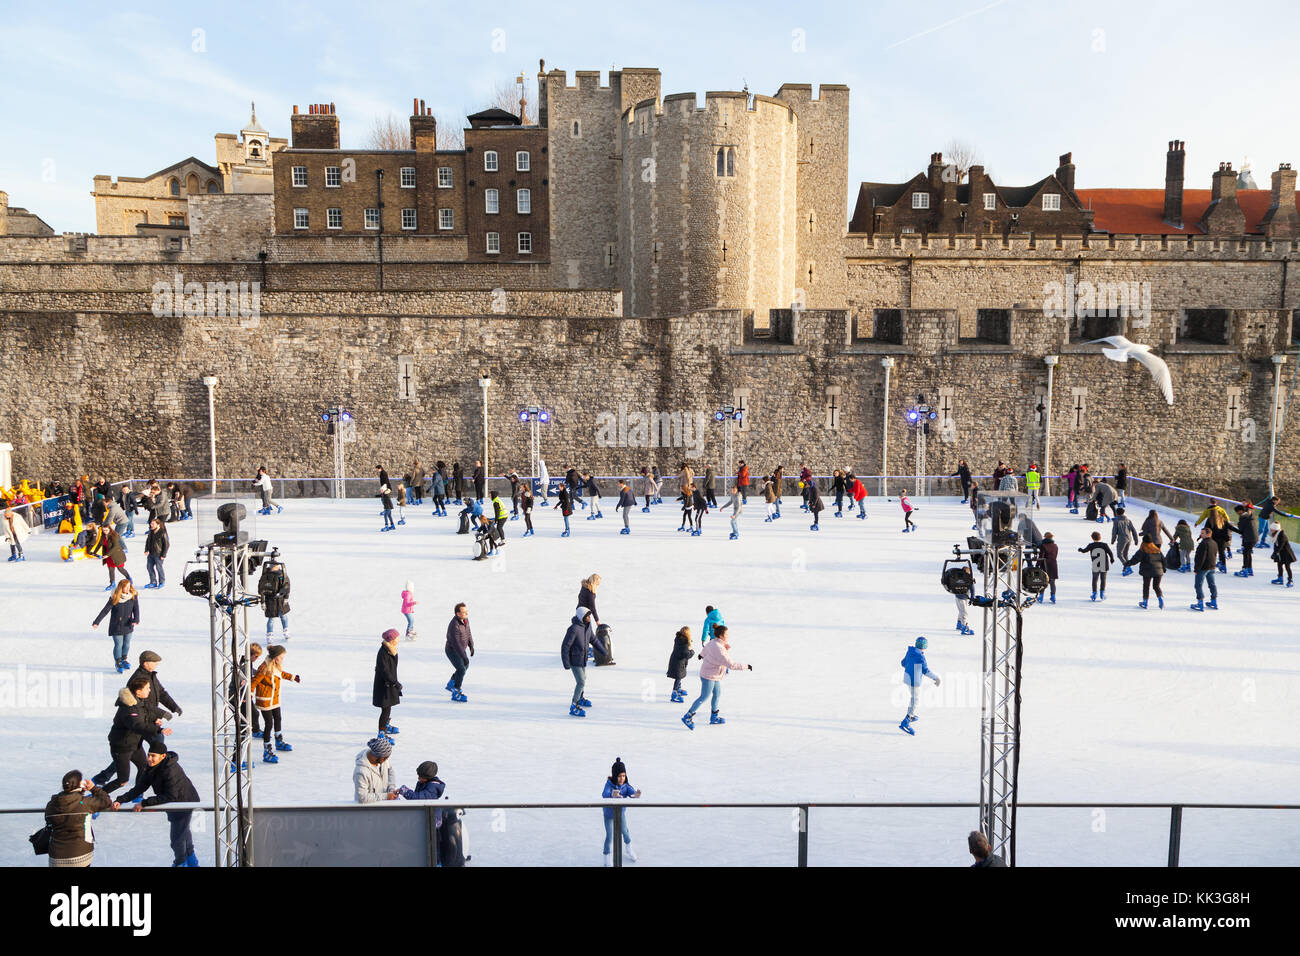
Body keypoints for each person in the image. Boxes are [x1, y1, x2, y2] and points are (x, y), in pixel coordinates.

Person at [114, 741, 201, 867]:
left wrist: (144, 803)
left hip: (184, 803)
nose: (149, 759)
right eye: (149, 755)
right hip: (175, 805)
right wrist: (120, 799)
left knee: (177, 840)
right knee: (184, 835)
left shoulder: (170, 769)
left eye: (153, 756)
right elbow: (139, 788)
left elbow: (170, 796)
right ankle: (193, 864)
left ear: (163, 756)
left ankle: (180, 863)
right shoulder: (151, 768)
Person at [92, 675, 169, 792]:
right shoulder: (129, 708)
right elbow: (136, 725)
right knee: (122, 780)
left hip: (134, 744)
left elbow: (145, 712)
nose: (150, 690)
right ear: (138, 692)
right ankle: (96, 798)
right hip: (122, 747)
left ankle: (137, 794)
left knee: (143, 767)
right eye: (147, 688)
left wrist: (156, 718)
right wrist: (158, 729)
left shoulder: (138, 702)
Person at [681, 624, 750, 730]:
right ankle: (688, 716)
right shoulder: (720, 650)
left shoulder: (714, 642)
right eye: (726, 634)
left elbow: (706, 649)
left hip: (713, 674)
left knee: (717, 694)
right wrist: (746, 666)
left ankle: (714, 717)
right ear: (721, 636)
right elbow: (731, 665)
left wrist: (701, 655)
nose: (728, 636)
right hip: (709, 676)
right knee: (704, 697)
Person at [44, 770, 114, 868]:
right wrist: (93, 788)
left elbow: (48, 821)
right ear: (80, 785)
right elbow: (106, 801)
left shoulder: (51, 805)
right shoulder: (85, 803)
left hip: (56, 856)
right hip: (81, 854)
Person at [251, 645, 300, 763]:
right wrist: (250, 693)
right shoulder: (264, 667)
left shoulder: (275, 665)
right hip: (265, 700)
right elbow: (255, 681)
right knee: (269, 724)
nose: (283, 659)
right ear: (275, 657)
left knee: (278, 718)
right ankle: (267, 751)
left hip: (274, 699)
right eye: (281, 657)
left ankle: (279, 741)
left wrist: (292, 677)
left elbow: (281, 674)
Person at [561, 606, 606, 717]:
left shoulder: (587, 627)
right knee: (581, 682)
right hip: (574, 661)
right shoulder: (574, 629)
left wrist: (603, 651)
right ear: (582, 617)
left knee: (583, 679)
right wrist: (566, 663)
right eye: (588, 616)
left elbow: (594, 640)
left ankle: (580, 698)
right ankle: (574, 705)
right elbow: (565, 646)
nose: (590, 618)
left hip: (582, 659)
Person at [93, 580, 140, 673]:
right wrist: (97, 622)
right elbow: (105, 610)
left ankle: (124, 659)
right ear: (120, 588)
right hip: (117, 625)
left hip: (128, 624)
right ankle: (118, 662)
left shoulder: (133, 596)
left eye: (128, 586)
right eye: (125, 587)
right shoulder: (115, 597)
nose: (127, 589)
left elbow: (136, 609)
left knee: (126, 643)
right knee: (119, 644)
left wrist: (136, 619)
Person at [601, 757, 641, 866]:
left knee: (625, 832)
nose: (621, 778)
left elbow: (631, 792)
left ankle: (629, 849)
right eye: (619, 776)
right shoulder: (609, 784)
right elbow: (604, 794)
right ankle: (606, 856)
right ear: (614, 776)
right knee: (609, 836)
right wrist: (611, 795)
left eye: (623, 776)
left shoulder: (625, 786)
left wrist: (635, 795)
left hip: (621, 814)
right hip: (609, 815)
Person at [899, 636, 940, 735]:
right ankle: (907, 720)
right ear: (925, 646)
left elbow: (903, 663)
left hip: (907, 678)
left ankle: (911, 715)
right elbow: (925, 670)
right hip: (914, 680)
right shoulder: (920, 656)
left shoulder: (910, 651)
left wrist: (911, 667)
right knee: (915, 699)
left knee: (913, 697)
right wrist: (936, 678)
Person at [128, 651, 181, 722]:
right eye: (154, 662)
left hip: (150, 716)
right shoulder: (139, 678)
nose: (157, 664)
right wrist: (162, 713)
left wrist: (174, 707)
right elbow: (142, 703)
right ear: (145, 663)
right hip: (140, 718)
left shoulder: (151, 676)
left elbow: (161, 693)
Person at [373, 629, 402, 737]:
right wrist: (395, 683)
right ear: (391, 639)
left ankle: (386, 725)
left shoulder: (391, 649)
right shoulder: (383, 652)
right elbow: (384, 671)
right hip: (384, 685)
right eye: (397, 638)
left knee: (388, 707)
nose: (398, 640)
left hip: (388, 684)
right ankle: (382, 733)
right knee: (385, 709)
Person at [1125, 535, 1167, 609]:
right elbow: (1163, 560)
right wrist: (1163, 569)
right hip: (1158, 571)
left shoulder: (1143, 550)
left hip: (1147, 571)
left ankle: (1145, 602)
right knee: (1156, 586)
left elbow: (1135, 560)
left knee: (1146, 586)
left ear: (1143, 541)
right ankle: (1161, 599)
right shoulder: (1157, 550)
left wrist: (1127, 563)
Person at [354, 736, 400, 803]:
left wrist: (391, 789)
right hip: (369, 809)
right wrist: (386, 796)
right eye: (385, 758)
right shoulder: (361, 772)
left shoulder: (382, 759)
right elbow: (362, 798)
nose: (386, 760)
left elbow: (390, 771)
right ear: (377, 756)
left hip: (383, 804)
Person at [445, 602, 474, 702]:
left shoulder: (465, 620)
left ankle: (452, 682)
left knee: (465, 666)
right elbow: (456, 643)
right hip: (452, 650)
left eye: (467, 611)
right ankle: (456, 691)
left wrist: (471, 645)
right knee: (461, 669)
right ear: (457, 614)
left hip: (461, 649)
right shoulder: (454, 625)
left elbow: (468, 632)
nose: (466, 614)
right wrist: (464, 657)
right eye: (464, 612)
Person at [258, 556, 291, 640]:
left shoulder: (282, 575)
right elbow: (261, 589)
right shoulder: (266, 576)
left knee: (283, 616)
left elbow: (287, 586)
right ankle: (270, 634)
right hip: (270, 600)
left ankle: (286, 630)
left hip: (281, 600)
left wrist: (286, 597)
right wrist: (262, 602)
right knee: (271, 619)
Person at [1190, 527, 1220, 611]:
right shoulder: (1214, 543)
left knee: (1198, 585)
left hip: (1203, 568)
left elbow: (1200, 558)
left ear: (1208, 534)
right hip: (1212, 567)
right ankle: (1214, 601)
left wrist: (1196, 569)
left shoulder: (1203, 544)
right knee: (1212, 584)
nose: (1201, 534)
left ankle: (1200, 603)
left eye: (1203, 533)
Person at [1079, 531, 1114, 601]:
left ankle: (1094, 593)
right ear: (1100, 537)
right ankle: (1102, 593)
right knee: (1103, 579)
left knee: (1095, 579)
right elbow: (1110, 552)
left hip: (1096, 564)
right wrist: (1112, 559)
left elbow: (1084, 550)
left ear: (1092, 538)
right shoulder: (1104, 545)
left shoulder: (1091, 545)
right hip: (1104, 564)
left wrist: (1080, 550)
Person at [666, 626, 694, 703]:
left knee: (680, 676)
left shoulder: (678, 639)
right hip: (678, 663)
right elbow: (686, 655)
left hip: (676, 661)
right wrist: (692, 652)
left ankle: (678, 689)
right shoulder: (684, 644)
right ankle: (674, 693)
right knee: (678, 677)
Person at [142, 517, 168, 589]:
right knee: (149, 567)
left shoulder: (162, 532)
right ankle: (153, 582)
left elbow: (166, 544)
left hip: (159, 554)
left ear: (158, 524)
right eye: (151, 524)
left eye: (153, 524)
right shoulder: (151, 532)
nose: (151, 525)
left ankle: (162, 582)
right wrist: (146, 550)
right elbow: (148, 541)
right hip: (151, 553)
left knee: (159, 568)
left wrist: (163, 555)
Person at [1232, 504, 1258, 577]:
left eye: (1237, 512)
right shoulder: (1250, 516)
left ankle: (1245, 569)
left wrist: (1232, 527)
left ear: (1240, 511)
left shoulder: (1243, 517)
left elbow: (1241, 528)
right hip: (1253, 537)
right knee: (1248, 553)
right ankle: (1249, 569)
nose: (1237, 514)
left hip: (1249, 538)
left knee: (1245, 553)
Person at [1112, 507, 1138, 575]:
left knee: (1119, 554)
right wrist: (1136, 540)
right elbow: (1133, 530)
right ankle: (1125, 569)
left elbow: (1114, 531)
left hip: (1122, 539)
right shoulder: (1128, 520)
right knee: (1125, 554)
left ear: (1117, 513)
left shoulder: (1117, 521)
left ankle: (1127, 567)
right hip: (1129, 539)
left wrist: (1113, 540)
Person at [1270, 523, 1295, 587]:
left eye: (1272, 529)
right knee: (1279, 564)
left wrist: (1275, 553)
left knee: (1287, 567)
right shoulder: (1275, 535)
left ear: (1276, 529)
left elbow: (1281, 545)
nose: (1271, 530)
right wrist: (1274, 553)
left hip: (1287, 553)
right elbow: (1276, 546)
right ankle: (1280, 578)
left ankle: (1290, 580)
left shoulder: (1282, 535)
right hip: (1281, 553)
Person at [1039, 531, 1059, 604]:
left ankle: (1041, 596)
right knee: (1052, 581)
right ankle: (1053, 596)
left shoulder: (1043, 546)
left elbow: (1041, 557)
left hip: (1045, 564)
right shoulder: (1055, 546)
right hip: (1053, 564)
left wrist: (1037, 564)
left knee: (1043, 581)